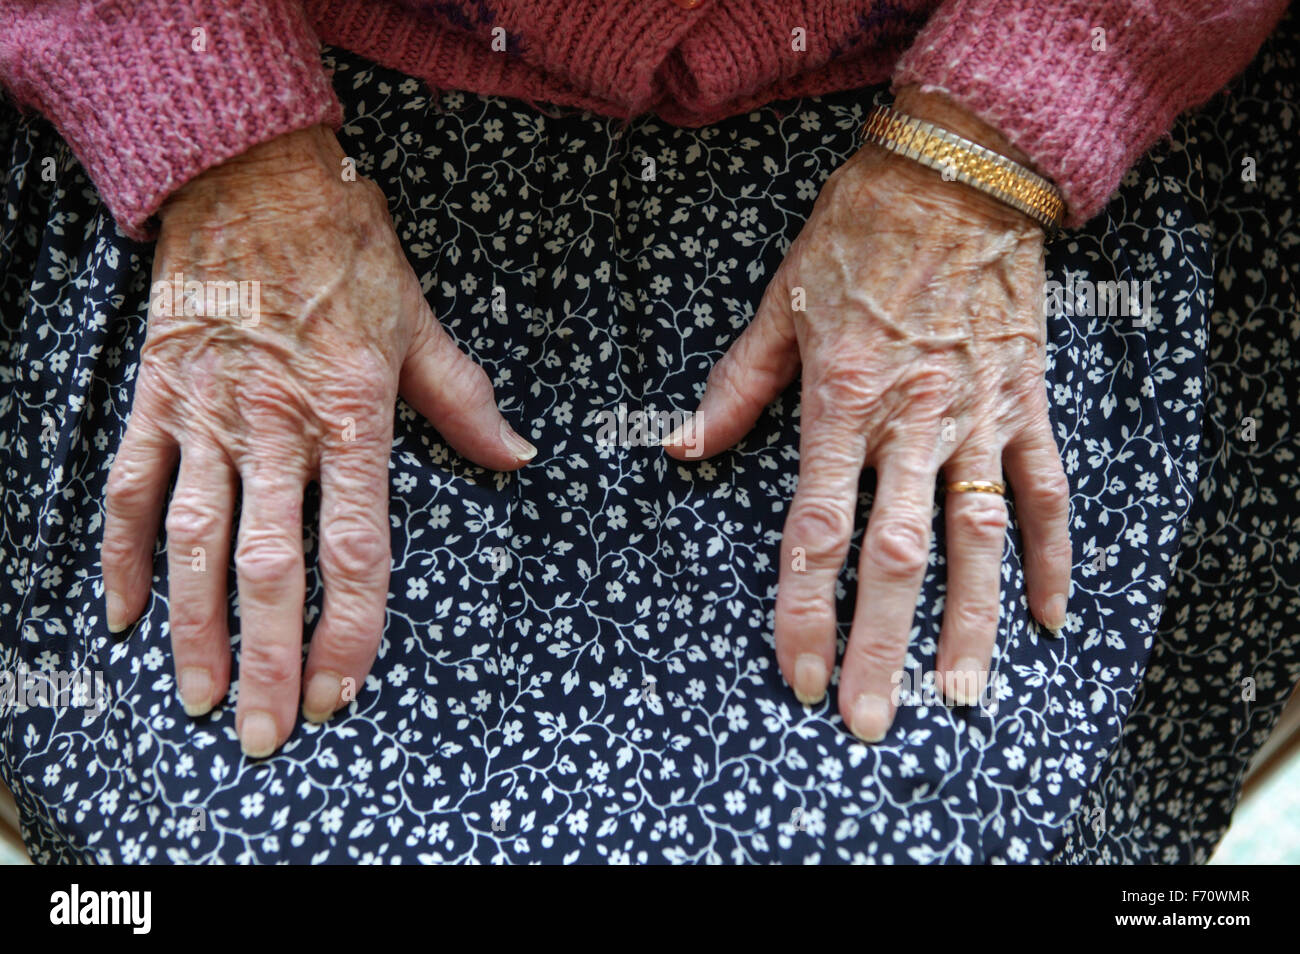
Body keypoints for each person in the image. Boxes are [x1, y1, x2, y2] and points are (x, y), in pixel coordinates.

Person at [0, 0, 1293, 863]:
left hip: (957, 154)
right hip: (261, 145)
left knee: (928, 822)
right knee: (222, 822)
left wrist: (999, 134)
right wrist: (204, 118)